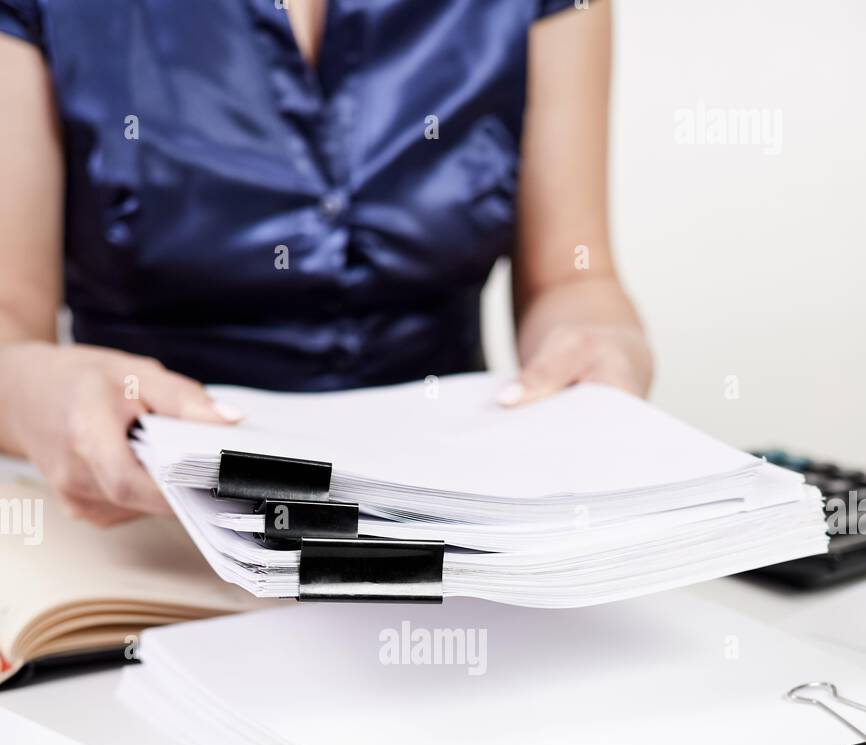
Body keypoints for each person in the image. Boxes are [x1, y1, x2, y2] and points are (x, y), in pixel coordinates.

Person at [0, 0, 651, 525]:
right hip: (155, 530)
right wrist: (33, 391)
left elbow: (573, 277)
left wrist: (603, 343)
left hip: (449, 527)